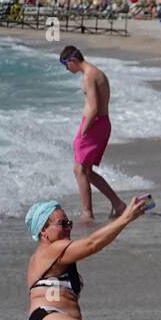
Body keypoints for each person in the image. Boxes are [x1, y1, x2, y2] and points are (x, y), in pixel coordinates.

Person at [24, 197, 150, 320]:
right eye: (62, 224)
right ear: (43, 231)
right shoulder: (49, 250)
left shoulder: (57, 254)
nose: (68, 228)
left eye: (69, 223)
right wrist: (125, 218)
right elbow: (92, 244)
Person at [60, 46, 126, 222]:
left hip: (95, 124)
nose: (67, 69)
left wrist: (83, 131)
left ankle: (87, 213)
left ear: (72, 60)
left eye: (66, 65)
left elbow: (94, 108)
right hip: (101, 123)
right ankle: (117, 204)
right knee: (86, 171)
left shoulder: (89, 76)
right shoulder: (96, 73)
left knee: (79, 169)